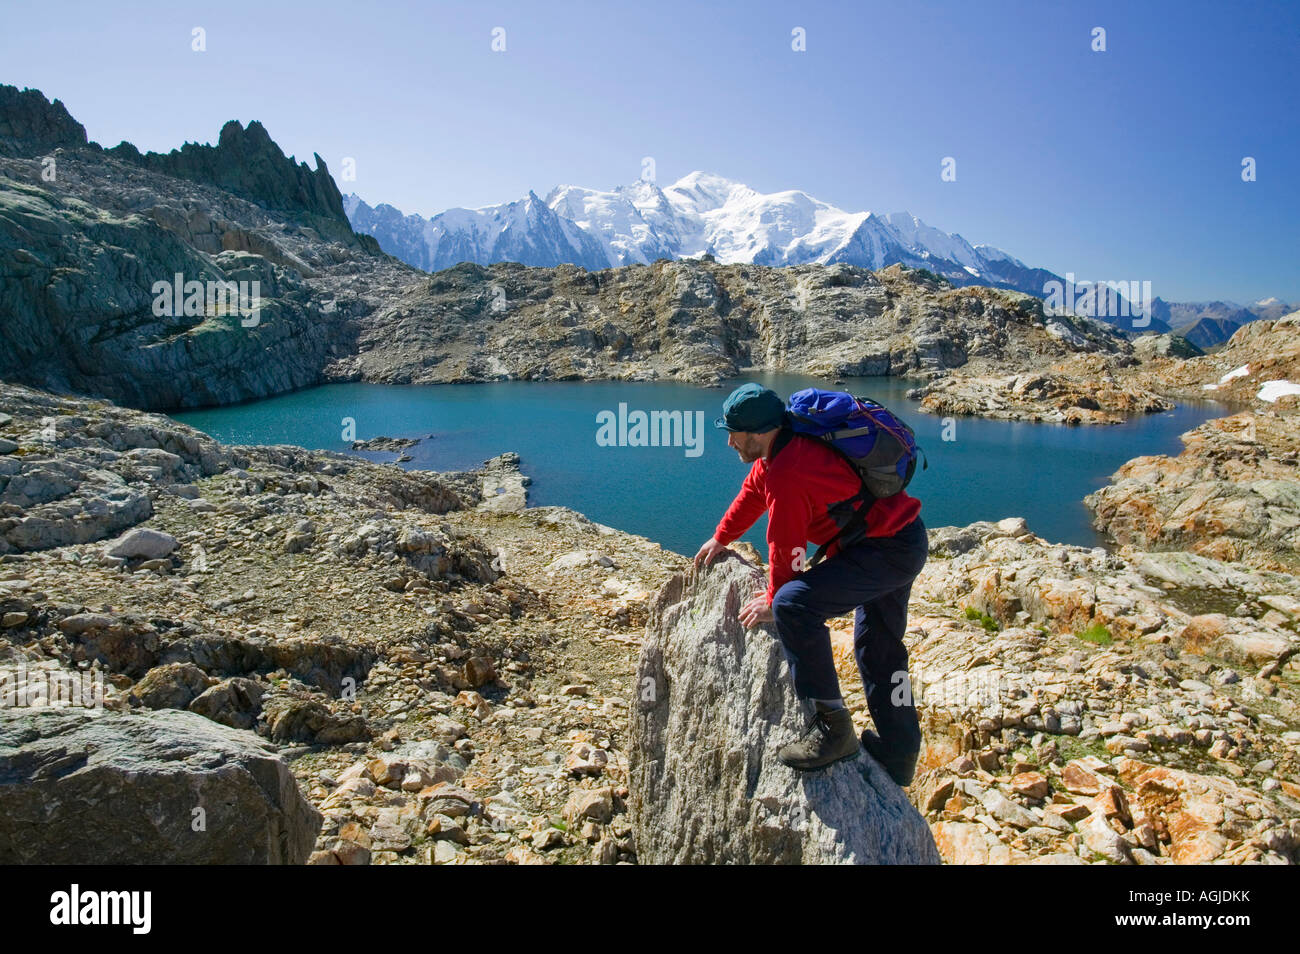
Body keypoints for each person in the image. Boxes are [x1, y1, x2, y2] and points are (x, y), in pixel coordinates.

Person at [693, 383, 928, 783]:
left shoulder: (789, 470)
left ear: (757, 432)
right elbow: (753, 493)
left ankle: (832, 732)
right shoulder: (783, 445)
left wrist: (774, 598)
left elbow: (785, 546)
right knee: (879, 650)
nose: (730, 441)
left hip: (884, 552)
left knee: (793, 605)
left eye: (734, 433)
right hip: (900, 538)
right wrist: (722, 536)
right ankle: (900, 753)